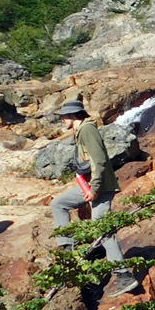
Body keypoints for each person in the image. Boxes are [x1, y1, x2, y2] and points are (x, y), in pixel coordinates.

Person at [49, 99, 139, 297]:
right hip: (90, 185)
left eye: (64, 117)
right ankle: (67, 250)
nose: (62, 120)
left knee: (103, 230)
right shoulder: (80, 131)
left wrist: (95, 189)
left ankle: (124, 276)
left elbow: (99, 161)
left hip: (100, 187)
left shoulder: (88, 130)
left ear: (74, 117)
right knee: (58, 204)